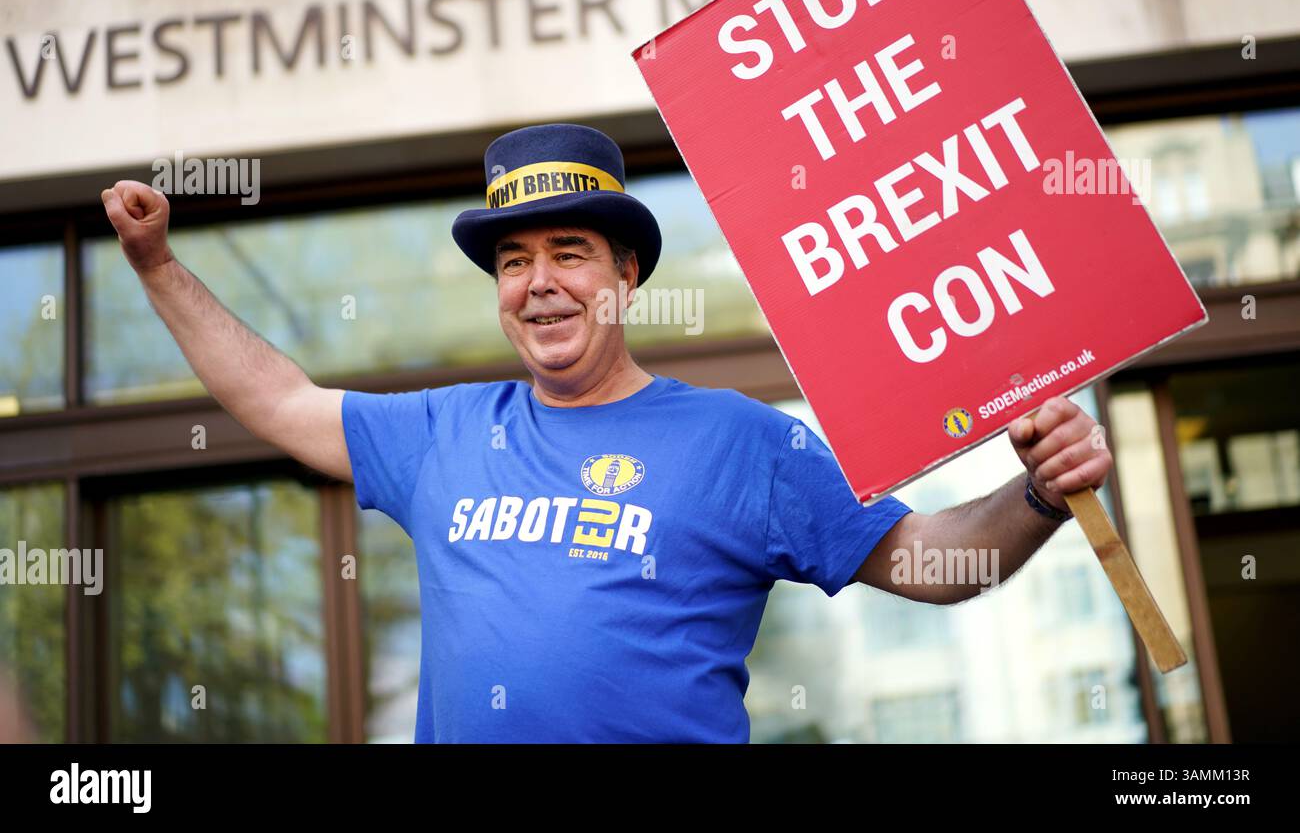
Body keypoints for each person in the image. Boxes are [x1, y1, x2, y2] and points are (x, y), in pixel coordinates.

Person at [100, 123, 1112, 743]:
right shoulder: (444, 432)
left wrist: (1035, 496)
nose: (538, 282)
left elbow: (933, 560)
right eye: (513, 261)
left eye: (569, 252)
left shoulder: (742, 441)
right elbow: (278, 399)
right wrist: (155, 266)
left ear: (627, 275)